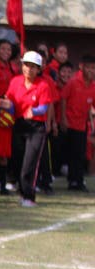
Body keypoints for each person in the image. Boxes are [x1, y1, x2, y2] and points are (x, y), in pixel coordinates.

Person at [6, 51, 53, 207]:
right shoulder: (15, 82)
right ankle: (22, 192)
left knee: (30, 162)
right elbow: (10, 100)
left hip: (36, 127)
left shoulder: (43, 85)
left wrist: (34, 111)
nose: (29, 69)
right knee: (18, 159)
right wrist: (5, 104)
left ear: (39, 69)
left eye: (33, 67)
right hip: (19, 125)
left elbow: (44, 106)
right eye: (26, 65)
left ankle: (29, 196)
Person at [60, 55, 95, 191]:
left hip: (82, 124)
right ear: (82, 67)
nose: (92, 71)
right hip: (70, 123)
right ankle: (74, 180)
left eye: (94, 68)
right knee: (73, 153)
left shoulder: (93, 86)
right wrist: (63, 118)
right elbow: (63, 99)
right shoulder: (73, 82)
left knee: (80, 153)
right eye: (89, 68)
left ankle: (77, 180)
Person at [0, 39, 18, 195]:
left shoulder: (10, 68)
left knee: (5, 150)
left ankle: (1, 182)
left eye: (9, 49)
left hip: (8, 114)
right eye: (3, 49)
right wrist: (0, 103)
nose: (6, 52)